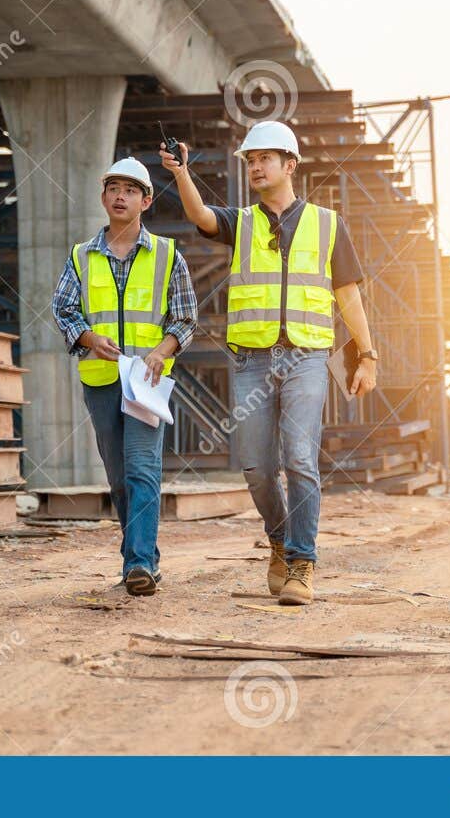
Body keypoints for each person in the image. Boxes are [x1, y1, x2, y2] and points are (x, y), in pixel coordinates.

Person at [161, 120, 377, 605]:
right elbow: (200, 215)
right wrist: (181, 172)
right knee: (258, 466)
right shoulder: (243, 222)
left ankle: (302, 562)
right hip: (252, 361)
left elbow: (348, 295)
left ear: (290, 164)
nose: (255, 167)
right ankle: (278, 540)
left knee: (300, 459)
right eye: (250, 161)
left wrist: (367, 354)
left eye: (264, 159)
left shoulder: (327, 224)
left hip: (306, 357)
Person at [52, 157, 196, 596]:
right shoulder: (81, 255)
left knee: (142, 469)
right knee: (118, 475)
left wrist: (161, 350)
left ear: (146, 200)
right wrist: (89, 338)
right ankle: (141, 558)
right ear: (103, 197)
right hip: (100, 379)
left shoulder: (168, 255)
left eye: (130, 190)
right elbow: (63, 309)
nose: (120, 196)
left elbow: (186, 318)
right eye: (113, 188)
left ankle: (139, 564)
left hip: (147, 383)